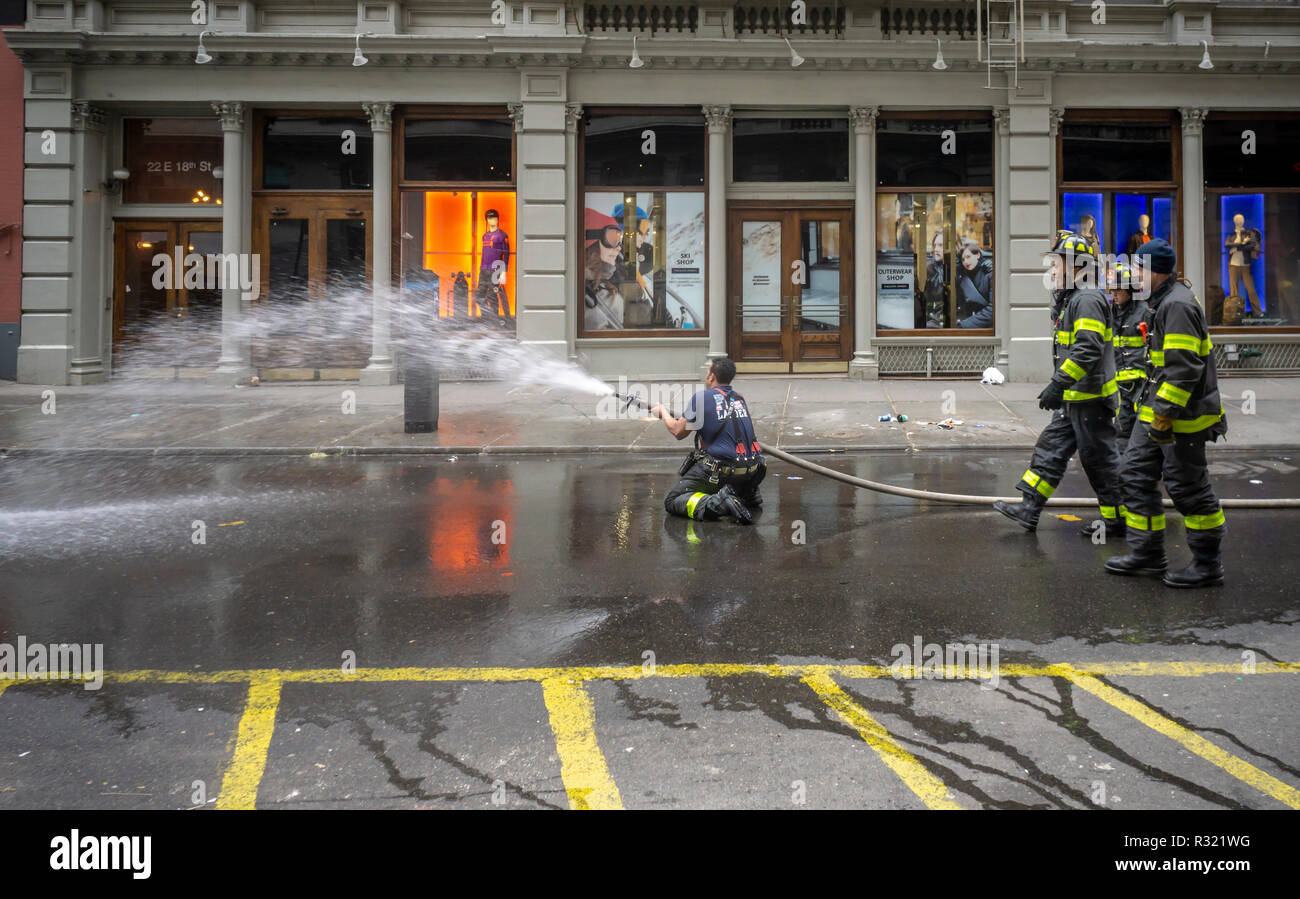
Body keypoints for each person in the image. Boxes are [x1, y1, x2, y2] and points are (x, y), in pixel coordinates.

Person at [1105, 239, 1228, 588]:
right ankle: (1147, 554)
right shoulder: (1160, 302)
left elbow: (1184, 369)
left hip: (1182, 417)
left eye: (1139, 269)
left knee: (1188, 488)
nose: (1134, 276)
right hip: (1156, 409)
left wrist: (1164, 416)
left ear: (1156, 272)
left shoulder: (1177, 306)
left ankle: (1207, 564)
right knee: (1133, 473)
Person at [993, 231, 1123, 537]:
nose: (1052, 270)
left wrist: (1058, 384)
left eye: (1058, 263)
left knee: (1099, 464)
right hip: (1074, 399)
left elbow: (1087, 349)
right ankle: (1029, 509)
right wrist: (1062, 389)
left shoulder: (1088, 300)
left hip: (1090, 400)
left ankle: (1118, 520)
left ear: (1077, 267)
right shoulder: (1074, 298)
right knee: (1050, 449)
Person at [654, 358, 765, 525]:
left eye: (707, 373)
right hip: (753, 470)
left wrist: (663, 411)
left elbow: (678, 431)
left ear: (712, 377)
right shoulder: (739, 399)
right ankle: (746, 493)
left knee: (673, 500)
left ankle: (718, 503)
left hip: (722, 471)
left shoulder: (702, 398)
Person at [1109, 261, 1150, 445]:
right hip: (1117, 384)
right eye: (1112, 289)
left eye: (1119, 289)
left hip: (1139, 385)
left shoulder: (1145, 313)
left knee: (1129, 430)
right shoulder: (1110, 313)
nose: (1114, 294)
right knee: (1121, 428)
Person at [476, 209, 510, 328]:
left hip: (495, 270)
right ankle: (487, 318)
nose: (492, 219)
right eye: (489, 217)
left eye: (494, 217)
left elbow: (506, 254)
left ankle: (494, 323)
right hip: (483, 270)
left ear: (498, 219)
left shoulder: (502, 235)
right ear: (486, 220)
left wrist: (503, 273)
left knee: (492, 296)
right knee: (479, 296)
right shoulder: (484, 236)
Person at [1224, 213, 1262, 314]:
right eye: (1237, 220)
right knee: (1234, 292)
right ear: (1234, 221)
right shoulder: (1231, 235)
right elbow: (1227, 244)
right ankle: (1234, 314)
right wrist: (1242, 243)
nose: (1238, 221)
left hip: (1245, 266)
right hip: (1233, 265)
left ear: (1243, 221)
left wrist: (1236, 248)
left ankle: (1258, 313)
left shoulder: (1248, 234)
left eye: (1240, 220)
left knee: (1251, 290)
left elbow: (1252, 246)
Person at [956, 240, 993, 328]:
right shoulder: (963, 276)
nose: (966, 262)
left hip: (986, 327)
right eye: (963, 259)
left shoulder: (989, 274)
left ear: (978, 255)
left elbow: (993, 310)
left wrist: (965, 325)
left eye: (968, 257)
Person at [921, 231, 947, 328]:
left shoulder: (963, 266)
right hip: (935, 321)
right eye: (935, 245)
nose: (936, 249)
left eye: (941, 245)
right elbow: (927, 302)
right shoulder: (930, 268)